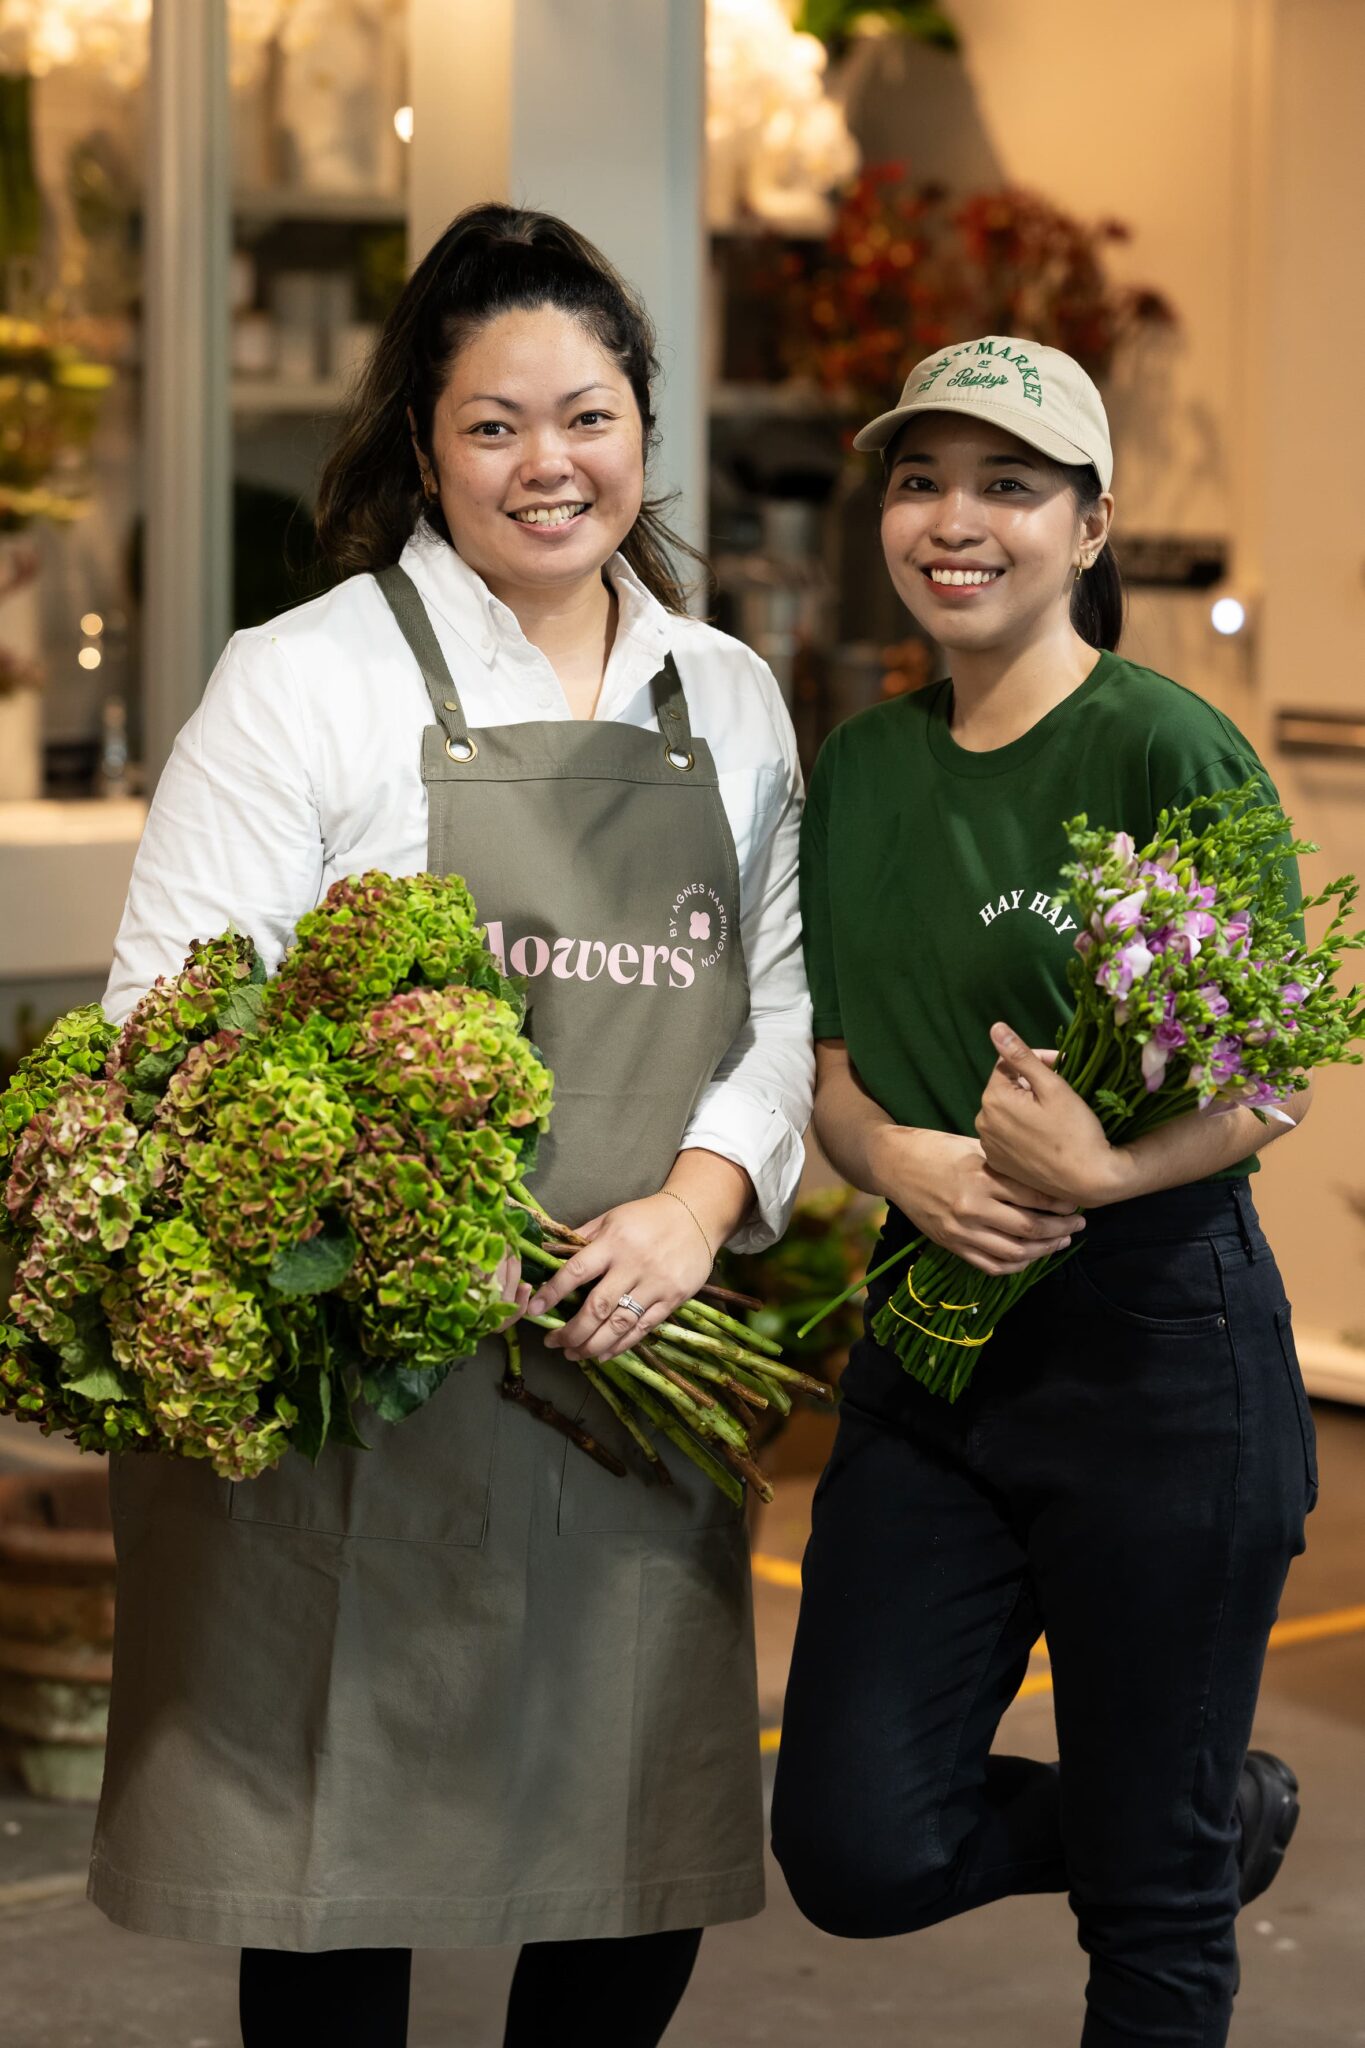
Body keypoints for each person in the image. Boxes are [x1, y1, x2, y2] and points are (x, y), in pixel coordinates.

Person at [91, 204, 812, 2048]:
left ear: (641, 426)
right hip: (364, 1386)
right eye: (492, 423)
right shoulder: (304, 675)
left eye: (584, 414)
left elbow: (777, 1002)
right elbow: (174, 1017)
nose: (544, 465)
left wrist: (694, 1202)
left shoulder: (722, 700)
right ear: (422, 439)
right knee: (340, 1889)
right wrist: (395, 1224)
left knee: (622, 1868)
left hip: (625, 1364)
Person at [770, 336, 1310, 2048]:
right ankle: (1205, 1816)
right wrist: (898, 1158)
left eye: (1009, 486)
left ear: (1089, 528)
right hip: (931, 1354)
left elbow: (1268, 1070)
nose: (955, 521)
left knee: (1149, 1925)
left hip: (1156, 1354)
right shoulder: (856, 770)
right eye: (922, 482)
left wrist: (1112, 1164)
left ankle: (1173, 1837)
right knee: (856, 1845)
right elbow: (836, 1075)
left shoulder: (1171, 750)